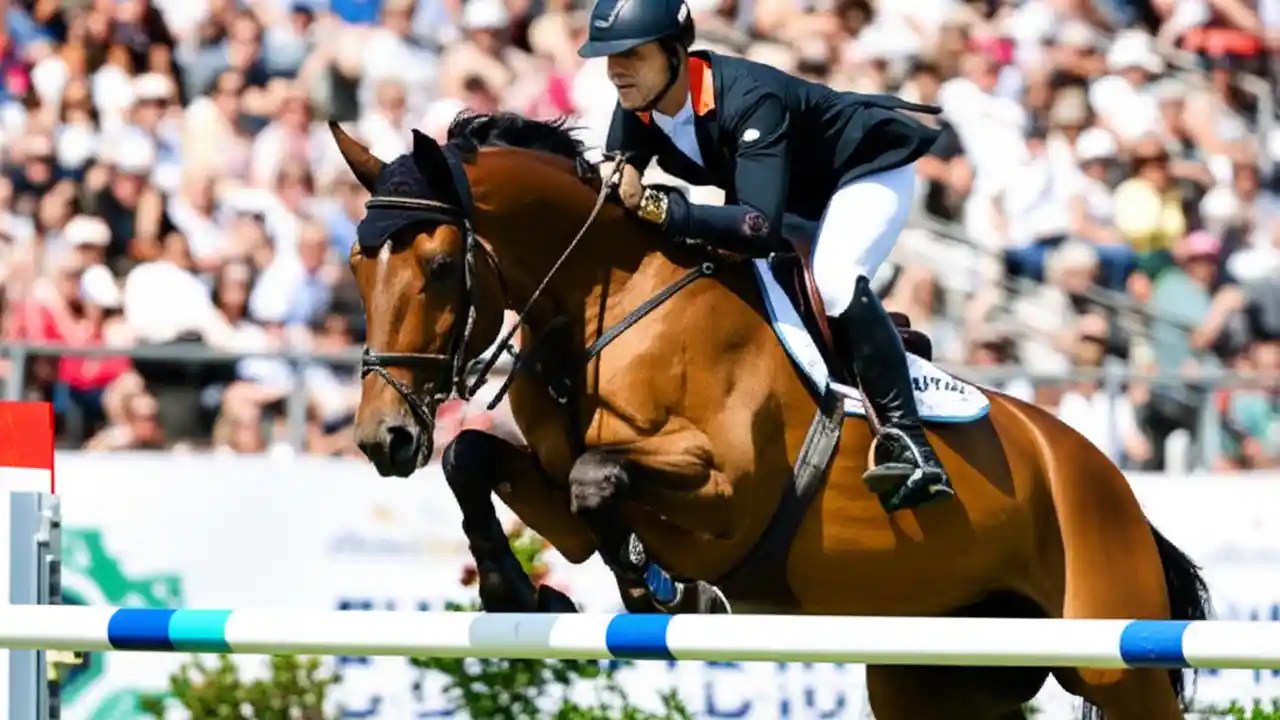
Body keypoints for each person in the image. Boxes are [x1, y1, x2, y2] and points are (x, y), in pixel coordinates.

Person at [578, 0, 954, 512]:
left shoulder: (749, 98)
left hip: (863, 171)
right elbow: (620, 185)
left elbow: (755, 227)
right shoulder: (637, 107)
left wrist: (656, 205)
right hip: (793, 195)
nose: (615, 70)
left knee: (837, 279)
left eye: (631, 54)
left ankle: (909, 443)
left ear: (673, 52)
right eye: (608, 57)